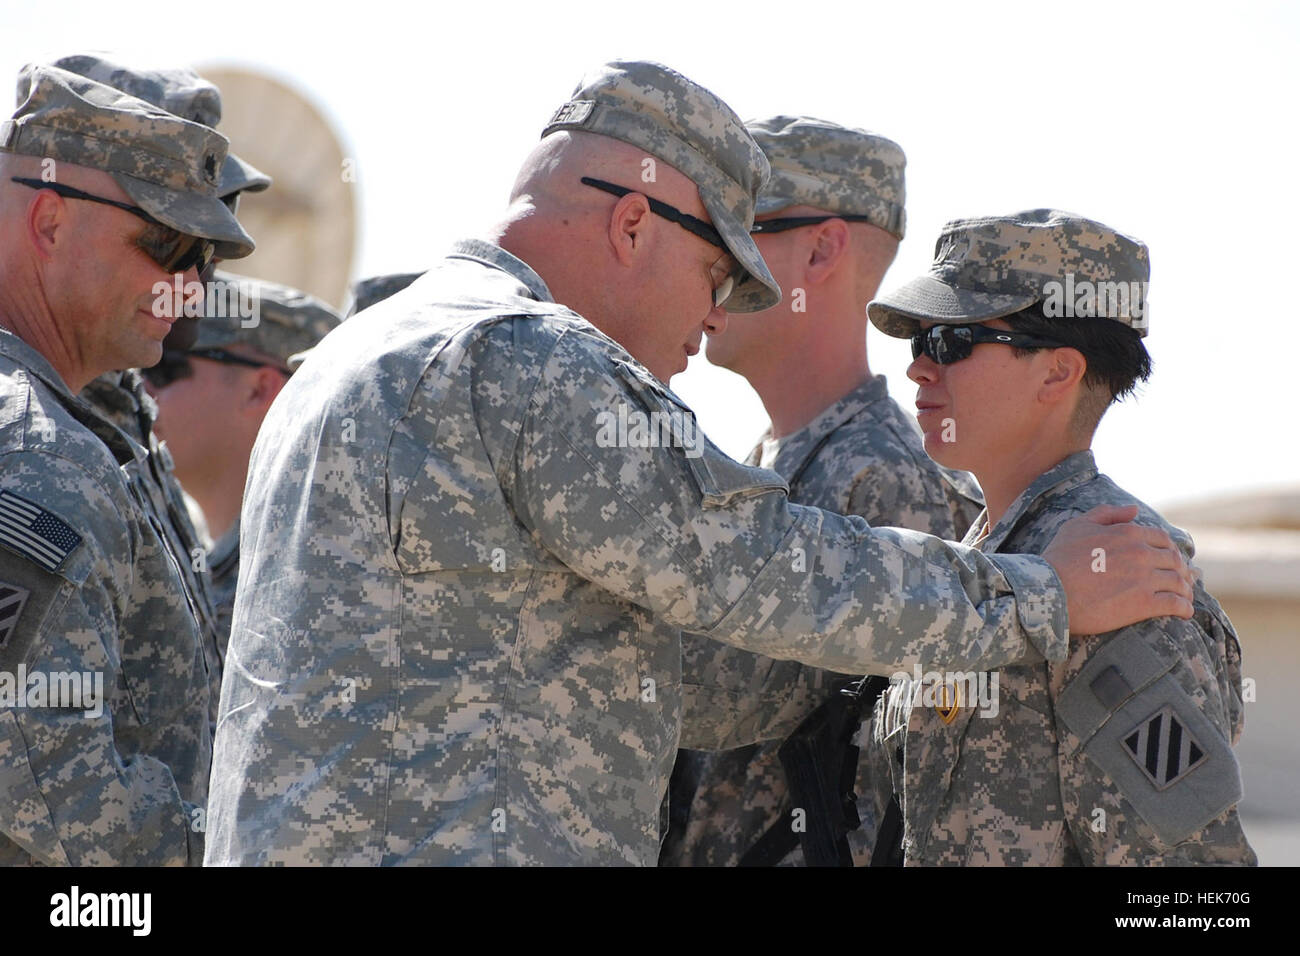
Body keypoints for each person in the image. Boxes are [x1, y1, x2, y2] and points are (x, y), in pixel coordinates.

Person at [205, 60, 1195, 867]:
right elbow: (754, 566)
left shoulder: (358, 351)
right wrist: (1039, 594)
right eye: (718, 271)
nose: (718, 312)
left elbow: (663, 677)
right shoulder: (531, 358)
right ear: (633, 223)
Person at [866, 208, 1256, 864]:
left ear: (1056, 373)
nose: (918, 371)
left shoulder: (1125, 584)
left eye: (952, 342)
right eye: (918, 343)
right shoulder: (998, 564)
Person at [664, 116, 982, 867]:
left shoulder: (892, 485)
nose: (716, 264)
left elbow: (894, 799)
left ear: (821, 248)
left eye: (740, 234)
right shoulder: (758, 467)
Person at [0, 65, 254, 864]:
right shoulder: (37, 449)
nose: (187, 290)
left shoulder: (71, 426)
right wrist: (255, 842)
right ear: (48, 221)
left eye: (205, 260)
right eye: (167, 246)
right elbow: (52, 787)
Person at [144, 273, 341, 653]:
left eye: (165, 366)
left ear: (260, 389)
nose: (141, 386)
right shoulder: (180, 552)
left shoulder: (312, 573)